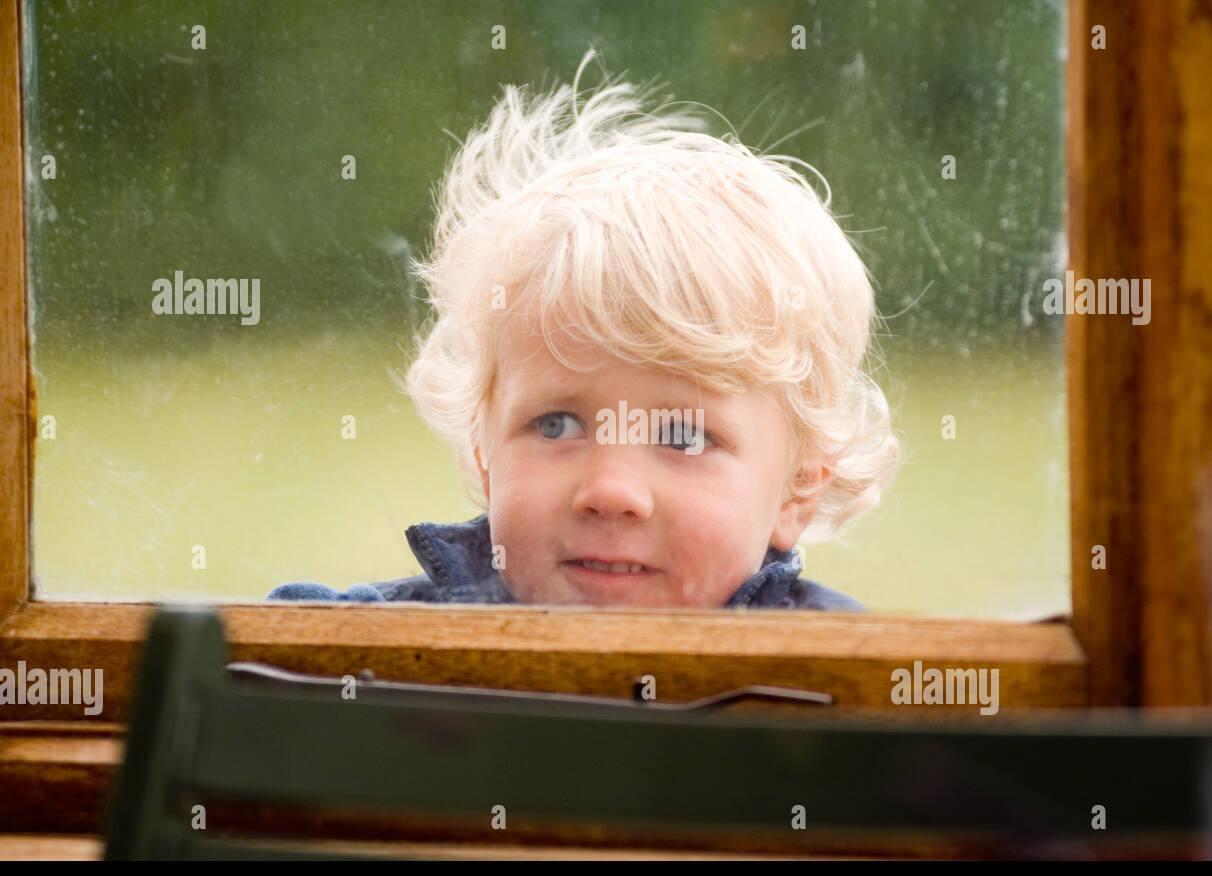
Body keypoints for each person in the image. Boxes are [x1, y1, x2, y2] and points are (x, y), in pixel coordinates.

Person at [268, 51, 900, 611]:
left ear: (797, 492)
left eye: (683, 436)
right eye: (555, 425)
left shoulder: (837, 676)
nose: (611, 491)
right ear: (485, 454)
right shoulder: (384, 652)